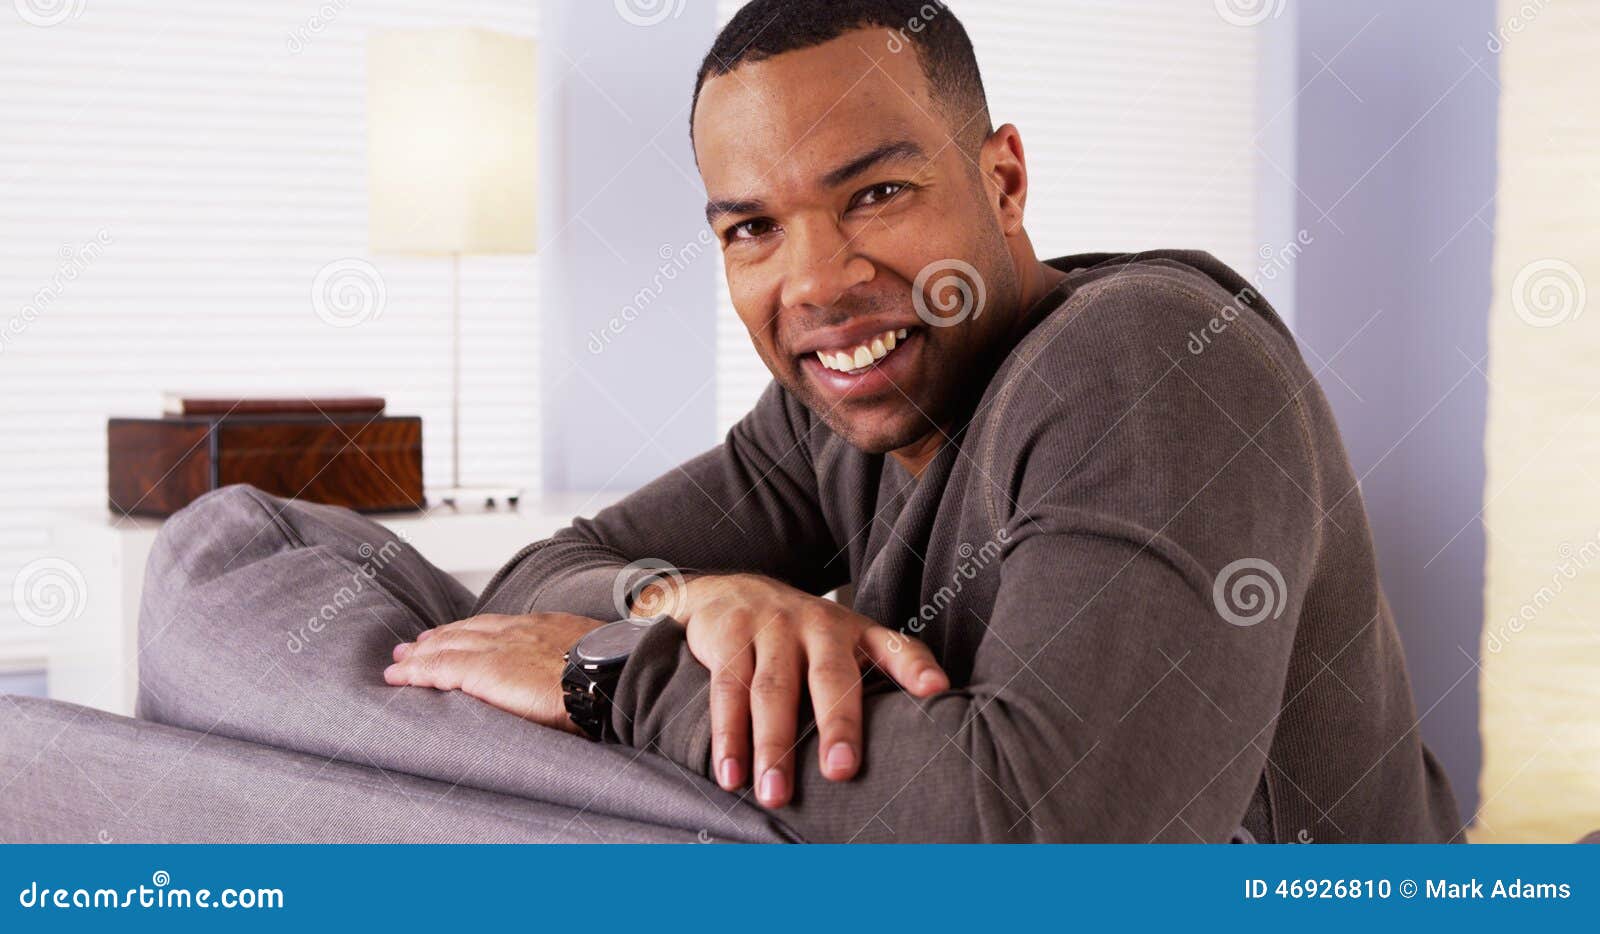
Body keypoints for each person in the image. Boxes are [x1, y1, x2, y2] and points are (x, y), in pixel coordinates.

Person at [375, 0, 1457, 842]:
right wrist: (695, 601)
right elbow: (542, 574)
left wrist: (616, 676)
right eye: (753, 228)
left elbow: (1058, 843)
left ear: (1003, 180)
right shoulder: (837, 409)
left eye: (877, 194)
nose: (816, 282)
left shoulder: (1153, 363)